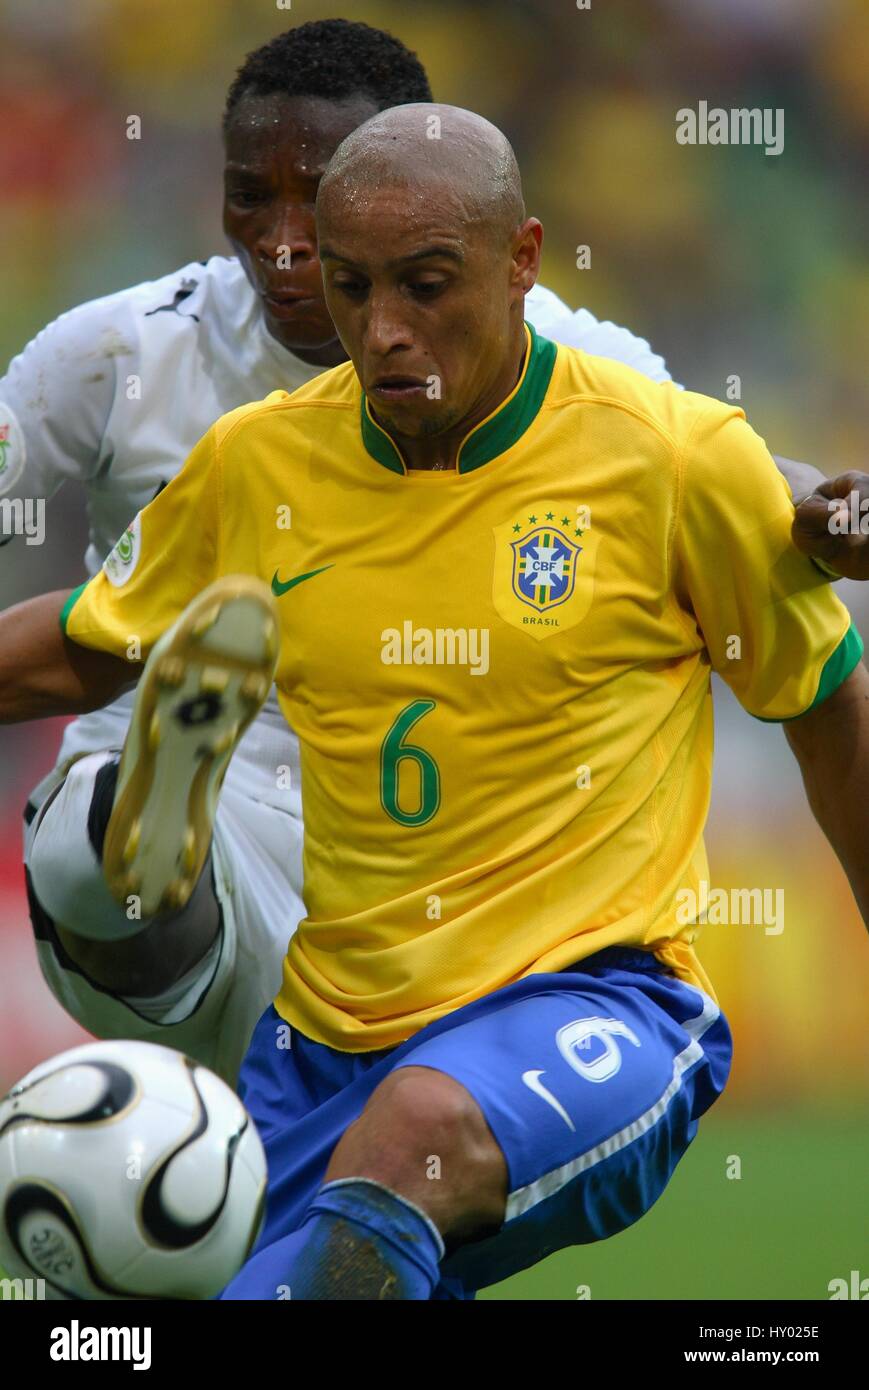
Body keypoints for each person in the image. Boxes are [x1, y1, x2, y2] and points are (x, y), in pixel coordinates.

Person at [2, 104, 865, 1300]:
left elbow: (822, 701)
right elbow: (90, 647)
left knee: (416, 1136)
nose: (384, 332)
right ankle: (135, 854)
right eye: (352, 290)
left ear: (522, 260)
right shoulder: (260, 463)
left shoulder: (669, 460)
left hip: (600, 1000)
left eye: (424, 285)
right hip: (324, 1048)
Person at [0, 21, 669, 1084]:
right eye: (245, 194)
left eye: (311, 197)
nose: (277, 238)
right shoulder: (123, 350)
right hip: (196, 848)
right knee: (90, 859)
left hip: (388, 874)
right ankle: (156, 822)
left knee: (271, 1220)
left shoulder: (552, 355)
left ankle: (150, 838)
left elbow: (745, 484)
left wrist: (833, 513)